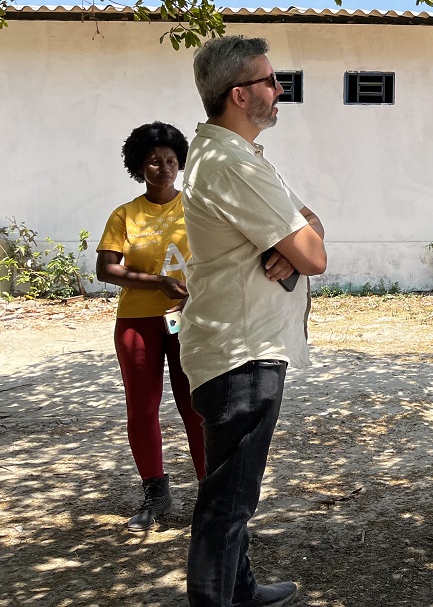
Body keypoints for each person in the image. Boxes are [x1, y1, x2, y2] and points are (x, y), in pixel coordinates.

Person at [181, 36, 327, 607]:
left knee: (232, 486)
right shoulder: (232, 163)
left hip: (241, 343)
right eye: (269, 80)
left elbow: (308, 225)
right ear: (239, 95)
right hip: (241, 349)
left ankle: (239, 591)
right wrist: (299, 243)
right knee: (229, 499)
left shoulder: (235, 156)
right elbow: (314, 252)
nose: (279, 89)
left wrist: (298, 239)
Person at [96, 121, 206, 531]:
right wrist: (157, 282)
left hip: (188, 318)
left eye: (171, 160)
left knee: (196, 407)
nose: (163, 168)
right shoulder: (125, 214)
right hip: (137, 321)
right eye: (154, 161)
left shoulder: (197, 207)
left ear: (181, 163)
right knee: (142, 409)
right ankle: (155, 492)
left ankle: (210, 491)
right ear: (139, 166)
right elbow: (106, 268)